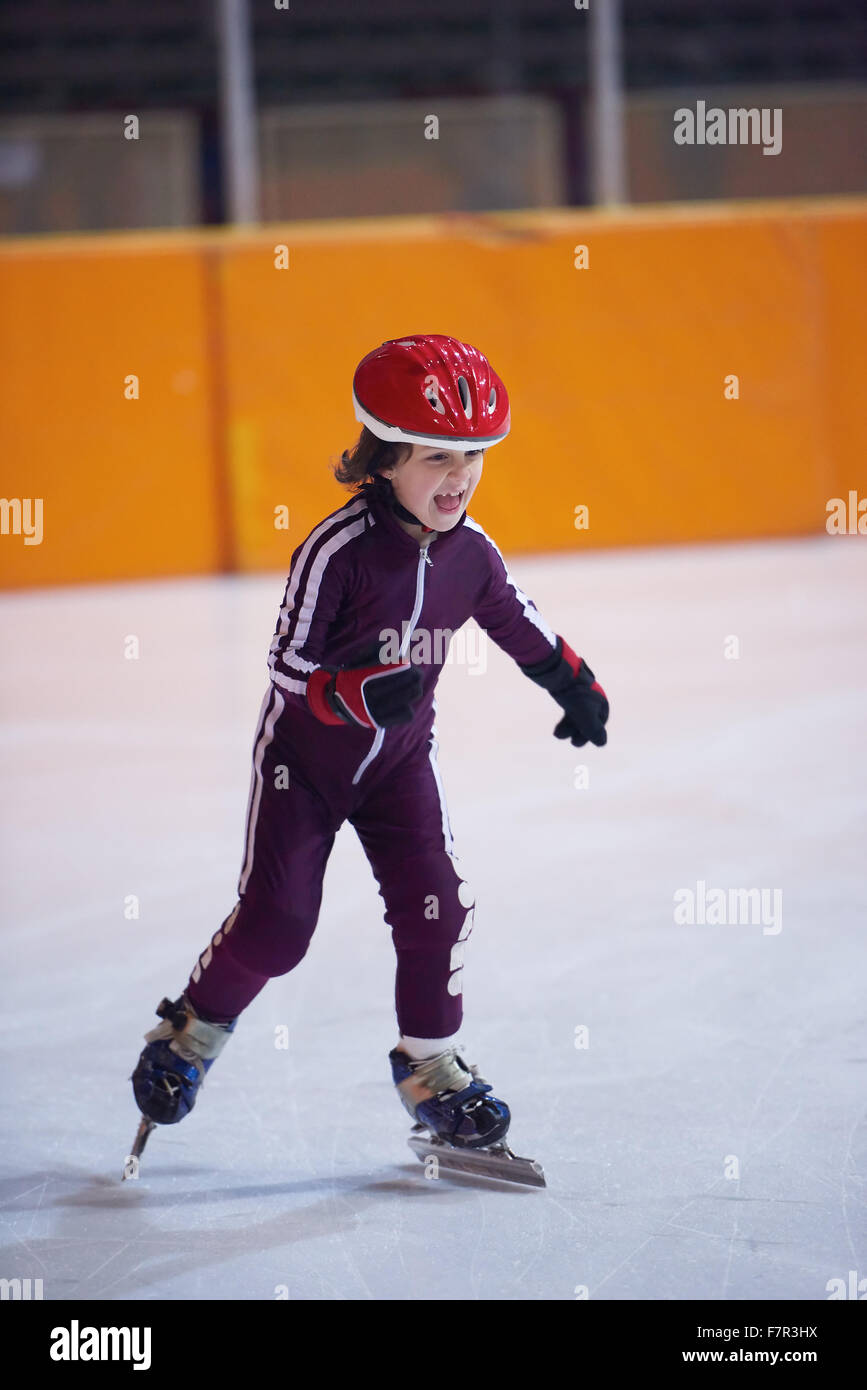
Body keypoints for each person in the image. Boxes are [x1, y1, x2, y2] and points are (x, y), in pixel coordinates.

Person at [131, 334, 609, 1154]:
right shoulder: (337, 550)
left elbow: (513, 618)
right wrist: (348, 692)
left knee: (438, 909)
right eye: (435, 457)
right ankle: (188, 1037)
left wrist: (572, 682)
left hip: (397, 768)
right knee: (279, 926)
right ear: (383, 458)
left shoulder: (471, 554)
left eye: (475, 454)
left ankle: (430, 1070)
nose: (458, 476)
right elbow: (286, 663)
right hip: (304, 769)